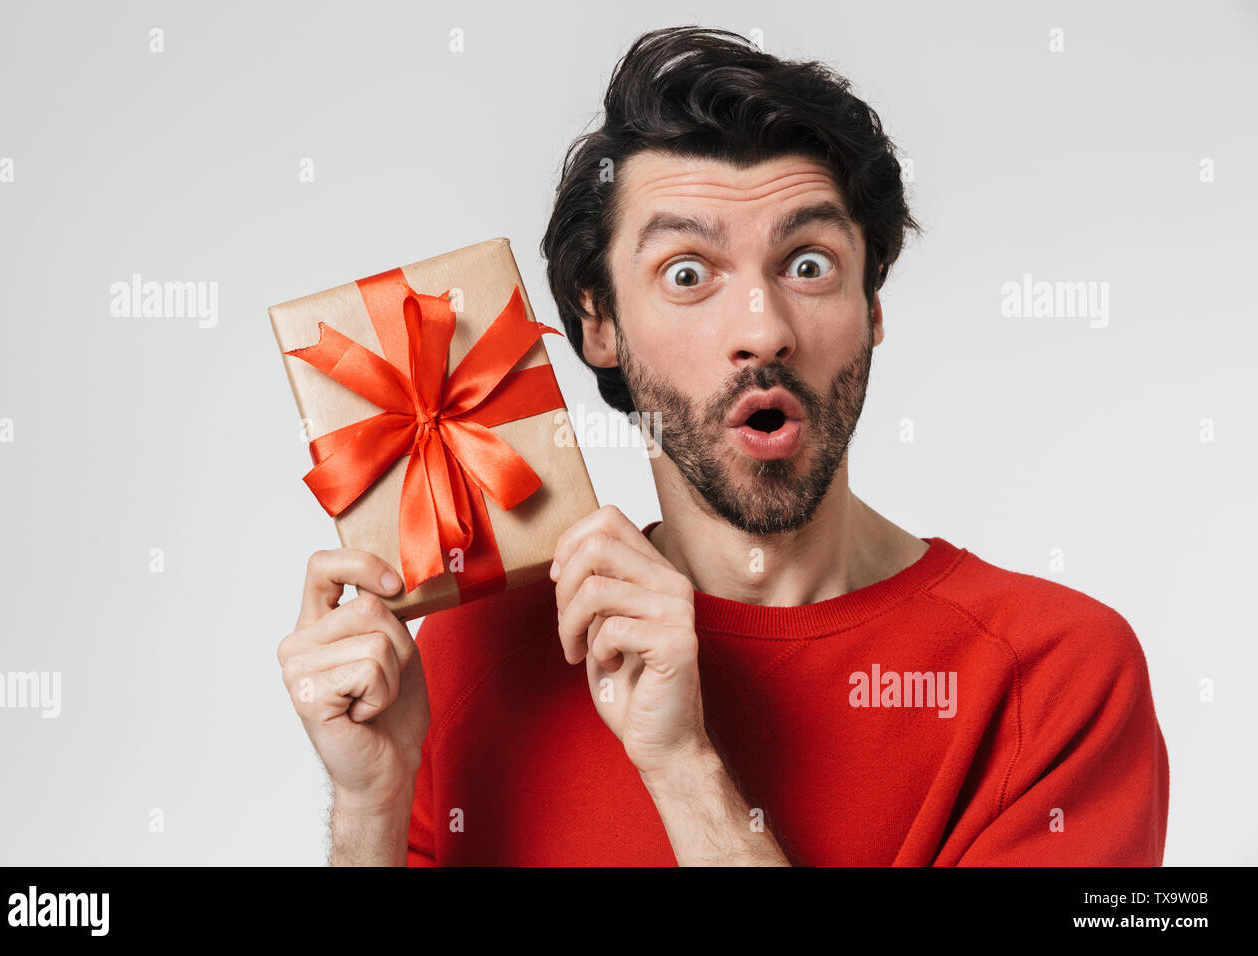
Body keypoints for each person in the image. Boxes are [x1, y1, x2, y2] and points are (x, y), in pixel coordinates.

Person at [277, 26, 1169, 866]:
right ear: (598, 323)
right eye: (689, 274)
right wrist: (371, 807)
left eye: (809, 264)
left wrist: (682, 764)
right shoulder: (479, 654)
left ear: (874, 306)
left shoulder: (1056, 675)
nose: (763, 329)